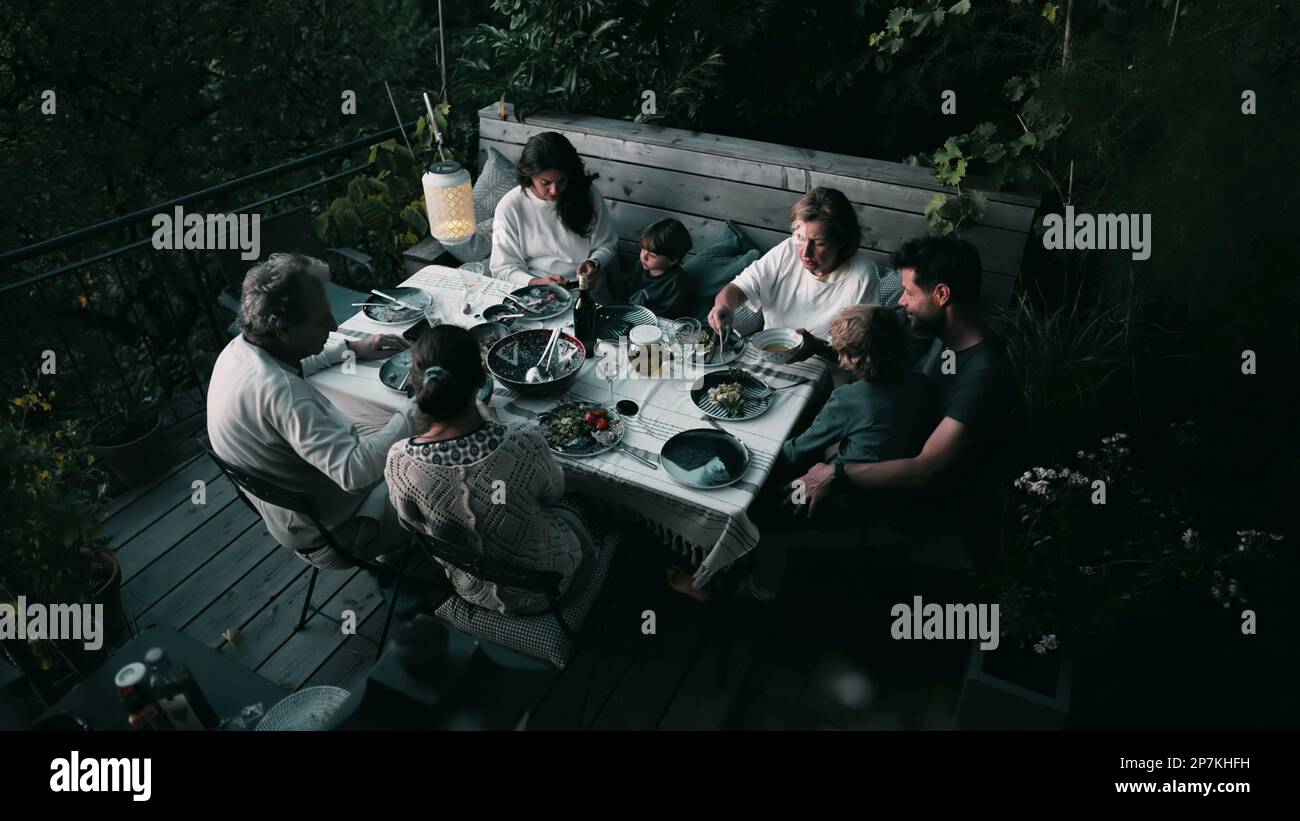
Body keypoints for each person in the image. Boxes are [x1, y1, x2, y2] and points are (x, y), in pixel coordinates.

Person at [668, 303, 930, 602]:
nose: (840, 359)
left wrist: (745, 447)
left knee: (758, 510)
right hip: (888, 488)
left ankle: (755, 587)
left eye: (843, 352)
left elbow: (796, 451)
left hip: (845, 498)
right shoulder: (918, 381)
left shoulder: (852, 398)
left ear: (859, 358)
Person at [207, 253, 419, 570]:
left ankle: (395, 555)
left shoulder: (240, 351)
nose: (334, 325)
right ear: (283, 330)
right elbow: (355, 473)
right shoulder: (285, 395)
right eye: (322, 321)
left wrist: (350, 348)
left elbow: (292, 362)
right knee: (441, 465)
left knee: (382, 424)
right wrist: (418, 411)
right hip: (341, 536)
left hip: (298, 520)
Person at [384, 325, 597, 615]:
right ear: (483, 380)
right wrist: (498, 430)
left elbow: (411, 523)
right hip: (551, 588)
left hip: (470, 588)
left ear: (417, 386)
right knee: (578, 507)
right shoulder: (522, 440)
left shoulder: (400, 460)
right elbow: (554, 492)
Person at [706, 187, 881, 361]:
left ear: (841, 241)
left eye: (818, 243)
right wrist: (725, 307)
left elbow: (860, 354)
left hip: (826, 369)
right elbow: (737, 288)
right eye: (800, 238)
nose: (805, 252)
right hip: (771, 358)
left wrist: (818, 349)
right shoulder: (787, 251)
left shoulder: (862, 276)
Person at [489, 131, 619, 292]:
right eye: (545, 183)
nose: (554, 190)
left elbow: (607, 244)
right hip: (534, 289)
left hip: (584, 287)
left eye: (561, 181)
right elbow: (502, 269)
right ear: (529, 176)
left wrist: (595, 263)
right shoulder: (510, 206)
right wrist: (537, 282)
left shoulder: (587, 194)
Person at [627, 218, 695, 319]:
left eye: (652, 255)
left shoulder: (678, 282)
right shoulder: (640, 266)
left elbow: (668, 314)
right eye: (643, 249)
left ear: (672, 260)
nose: (643, 257)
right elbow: (628, 292)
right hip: (631, 315)